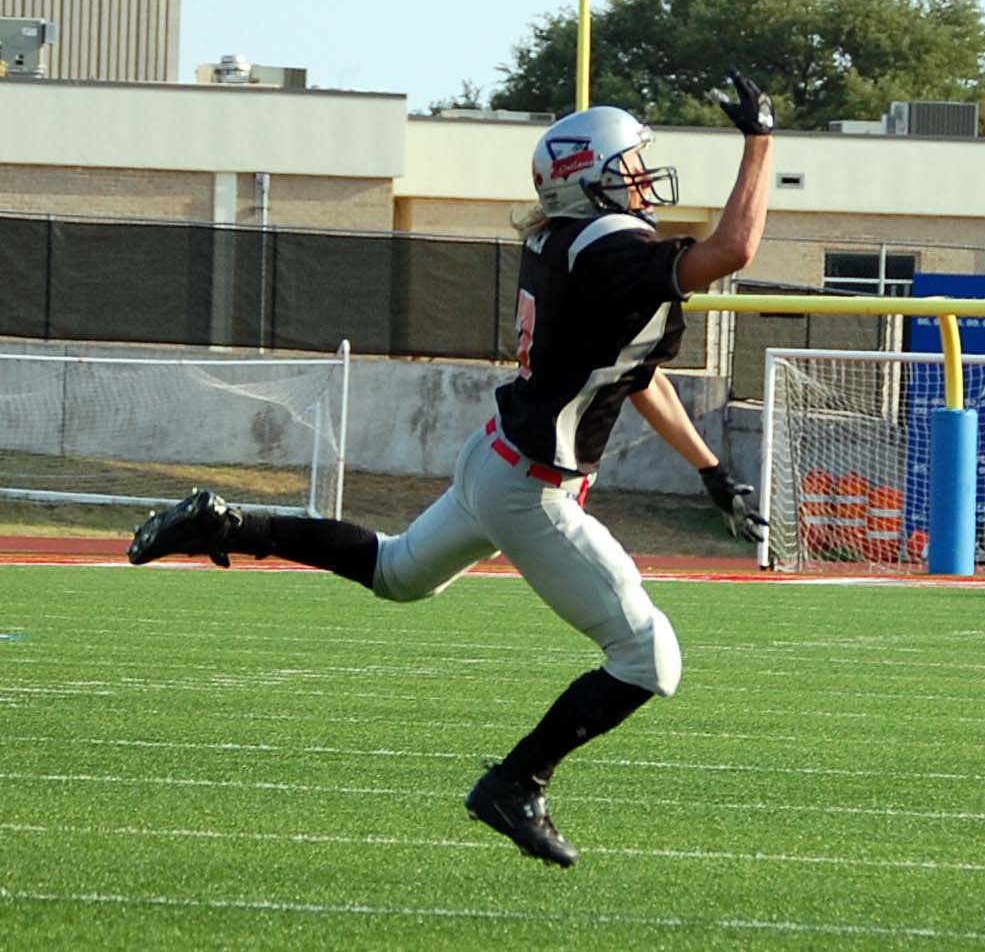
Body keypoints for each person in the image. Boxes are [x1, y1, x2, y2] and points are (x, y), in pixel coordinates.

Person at [127, 70, 776, 868]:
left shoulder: (568, 242)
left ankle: (223, 524)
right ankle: (516, 781)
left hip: (495, 461)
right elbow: (734, 248)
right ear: (587, 177)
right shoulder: (607, 246)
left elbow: (635, 374)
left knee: (399, 572)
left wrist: (711, 470)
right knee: (649, 657)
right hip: (531, 487)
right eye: (630, 164)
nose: (643, 178)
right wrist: (761, 139)